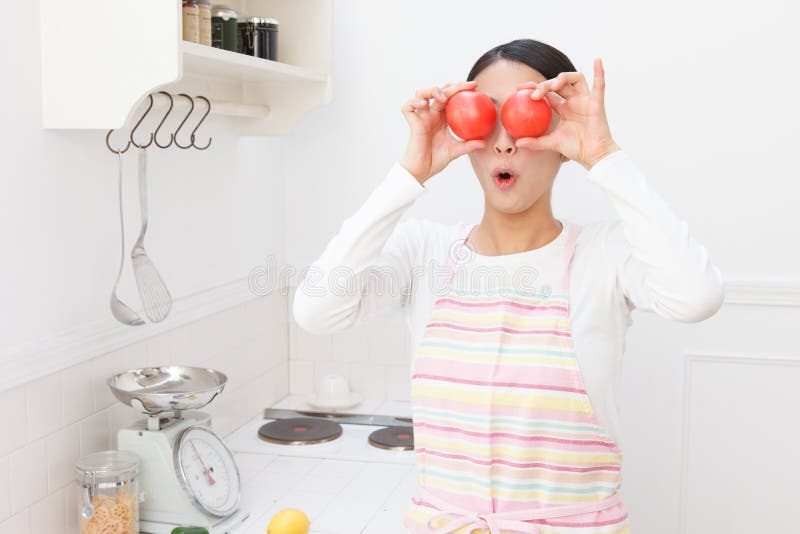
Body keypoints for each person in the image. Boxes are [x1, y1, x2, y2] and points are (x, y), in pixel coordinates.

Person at [292, 38, 724, 534]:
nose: (503, 142)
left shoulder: (604, 257)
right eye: (484, 117)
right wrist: (410, 171)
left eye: (524, 116)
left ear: (560, 135)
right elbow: (316, 311)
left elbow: (697, 296)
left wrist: (603, 155)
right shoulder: (424, 252)